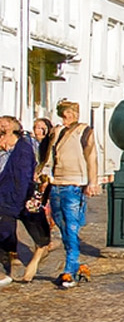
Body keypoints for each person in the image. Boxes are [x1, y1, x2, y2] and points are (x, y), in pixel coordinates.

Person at [45, 100, 99, 290]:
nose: (67, 116)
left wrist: (92, 182)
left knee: (72, 226)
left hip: (74, 184)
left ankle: (69, 270)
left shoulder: (84, 131)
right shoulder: (58, 132)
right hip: (56, 184)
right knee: (62, 225)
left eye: (70, 112)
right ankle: (77, 265)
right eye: (64, 113)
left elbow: (91, 156)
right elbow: (48, 155)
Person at [16, 119, 56, 282]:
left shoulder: (50, 146)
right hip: (33, 186)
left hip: (45, 186)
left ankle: (41, 247)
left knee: (40, 217)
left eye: (41, 128)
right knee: (33, 216)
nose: (38, 131)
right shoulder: (30, 144)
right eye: (35, 127)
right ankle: (41, 246)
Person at [0, 117, 35, 286]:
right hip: (5, 198)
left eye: (3, 128)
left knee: (6, 230)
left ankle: (10, 261)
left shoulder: (22, 150)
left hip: (10, 198)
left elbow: (23, 178)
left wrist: (19, 200)